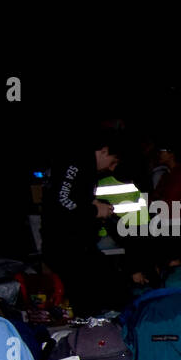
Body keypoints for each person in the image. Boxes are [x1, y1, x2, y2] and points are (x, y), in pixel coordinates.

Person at [41, 135, 124, 315]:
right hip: (66, 243)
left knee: (99, 283)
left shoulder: (82, 166)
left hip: (75, 243)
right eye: (113, 161)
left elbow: (72, 199)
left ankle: (94, 324)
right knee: (87, 293)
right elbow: (62, 201)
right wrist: (94, 211)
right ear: (104, 151)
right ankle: (89, 330)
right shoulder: (77, 163)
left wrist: (93, 204)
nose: (112, 168)